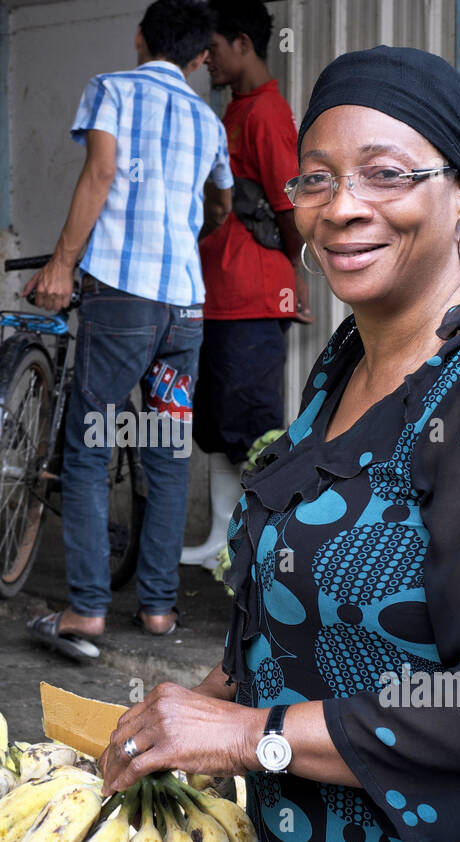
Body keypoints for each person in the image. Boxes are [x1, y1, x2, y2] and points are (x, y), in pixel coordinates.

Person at [99, 47, 460, 842]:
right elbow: (339, 594)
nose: (343, 206)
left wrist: (254, 737)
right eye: (316, 179)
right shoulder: (347, 362)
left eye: (386, 174)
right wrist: (226, 692)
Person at [23, 0, 233, 660]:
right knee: (167, 452)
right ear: (201, 58)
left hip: (122, 302)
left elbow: (103, 170)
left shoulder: (111, 90)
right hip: (184, 312)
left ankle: (86, 611)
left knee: (89, 446)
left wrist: (61, 262)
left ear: (140, 37)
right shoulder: (207, 120)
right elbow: (221, 201)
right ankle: (159, 609)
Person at [183, 0, 309, 570]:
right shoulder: (231, 111)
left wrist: (297, 279)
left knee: (253, 426)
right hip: (216, 292)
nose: (206, 59)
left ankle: (260, 556)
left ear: (242, 43)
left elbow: (290, 206)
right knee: (216, 424)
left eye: (213, 47)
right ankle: (219, 542)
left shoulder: (265, 114)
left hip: (253, 296)